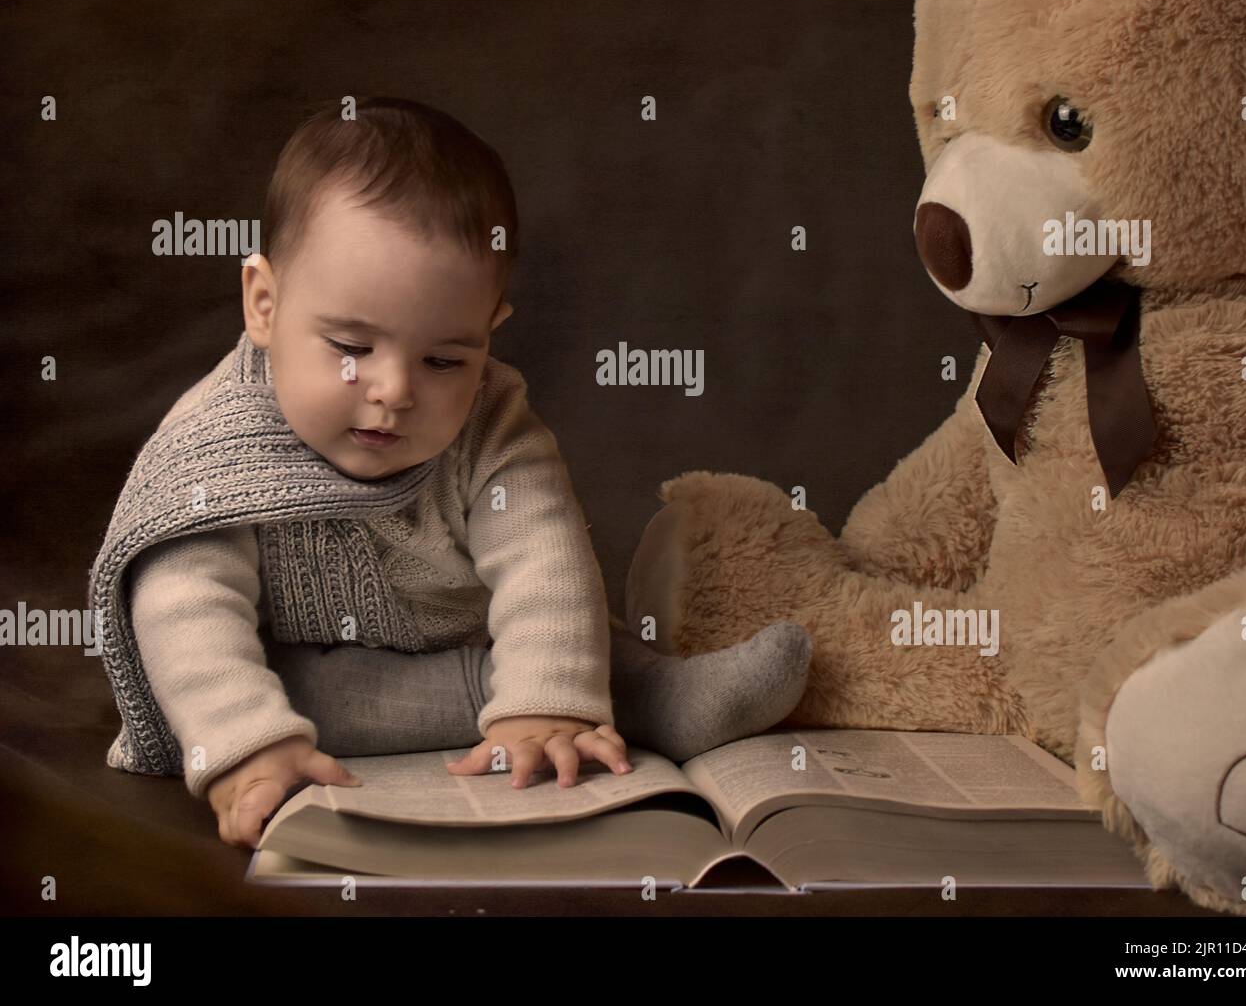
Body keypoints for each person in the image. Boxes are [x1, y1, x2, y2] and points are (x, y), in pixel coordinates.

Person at [109, 97, 813, 848]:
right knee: (274, 687)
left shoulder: (491, 420)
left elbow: (543, 558)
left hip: (489, 635)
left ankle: (654, 694)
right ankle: (593, 700)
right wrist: (244, 741)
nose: (396, 390)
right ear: (264, 302)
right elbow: (185, 600)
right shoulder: (215, 442)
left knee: (580, 642)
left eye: (445, 358)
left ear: (489, 332)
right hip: (315, 675)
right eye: (352, 345)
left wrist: (547, 698)